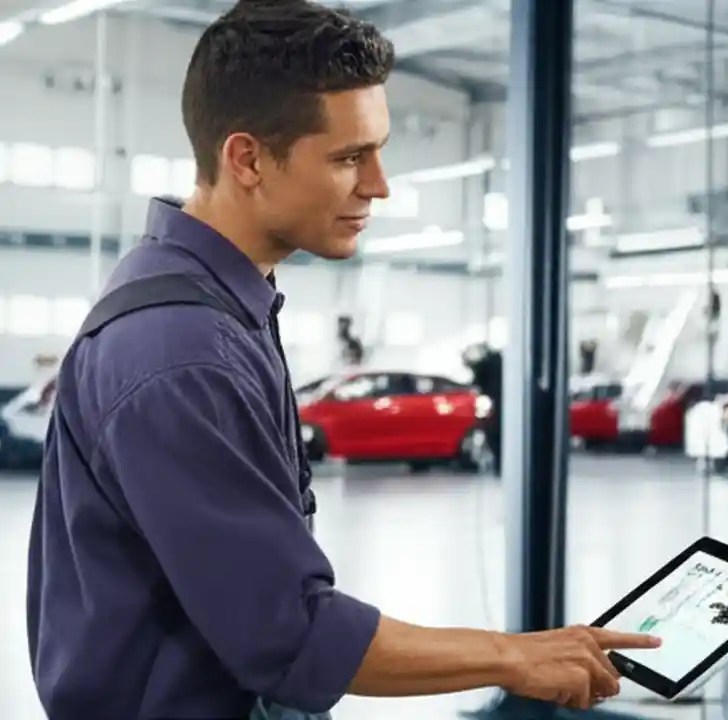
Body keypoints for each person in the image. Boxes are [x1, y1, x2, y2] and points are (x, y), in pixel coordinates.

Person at [25, 2, 657, 719]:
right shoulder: (181, 351)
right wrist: (515, 656)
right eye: (350, 157)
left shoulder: (217, 304)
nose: (379, 185)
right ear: (247, 159)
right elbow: (288, 632)